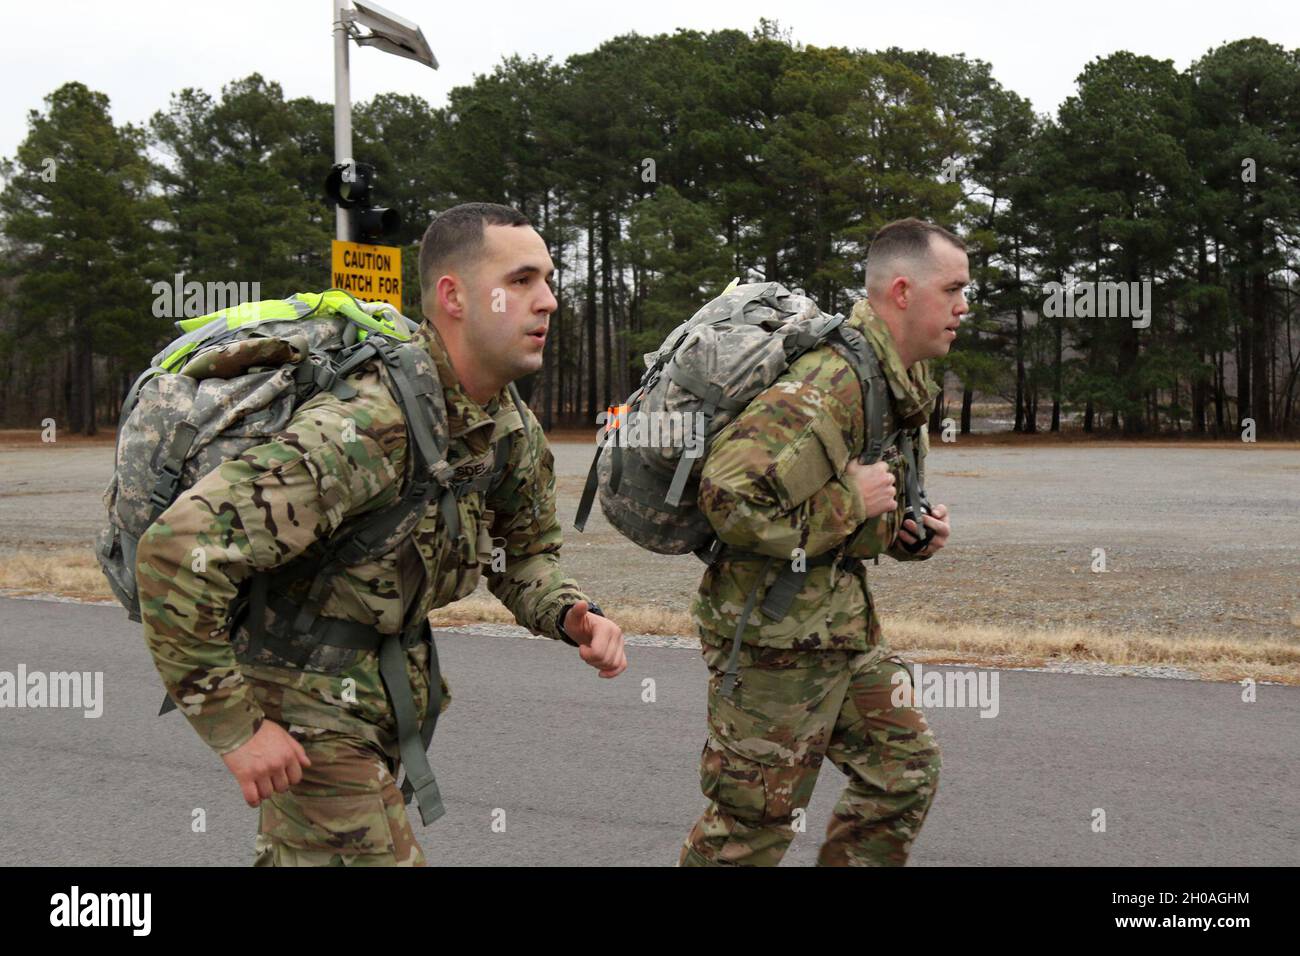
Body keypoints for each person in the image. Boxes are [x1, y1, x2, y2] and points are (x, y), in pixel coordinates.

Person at [136, 202, 626, 866]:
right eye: (522, 280)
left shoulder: (506, 426)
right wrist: (237, 730)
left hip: (383, 702)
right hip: (307, 707)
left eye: (546, 279)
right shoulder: (368, 424)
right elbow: (176, 552)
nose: (549, 301)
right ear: (452, 296)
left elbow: (524, 554)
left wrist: (570, 613)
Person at [678, 217, 966, 866]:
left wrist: (909, 533)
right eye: (951, 289)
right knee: (752, 827)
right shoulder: (831, 382)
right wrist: (850, 503)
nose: (963, 305)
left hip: (842, 631)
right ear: (901, 292)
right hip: (771, 641)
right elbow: (727, 497)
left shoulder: (900, 385)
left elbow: (865, 508)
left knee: (904, 774)